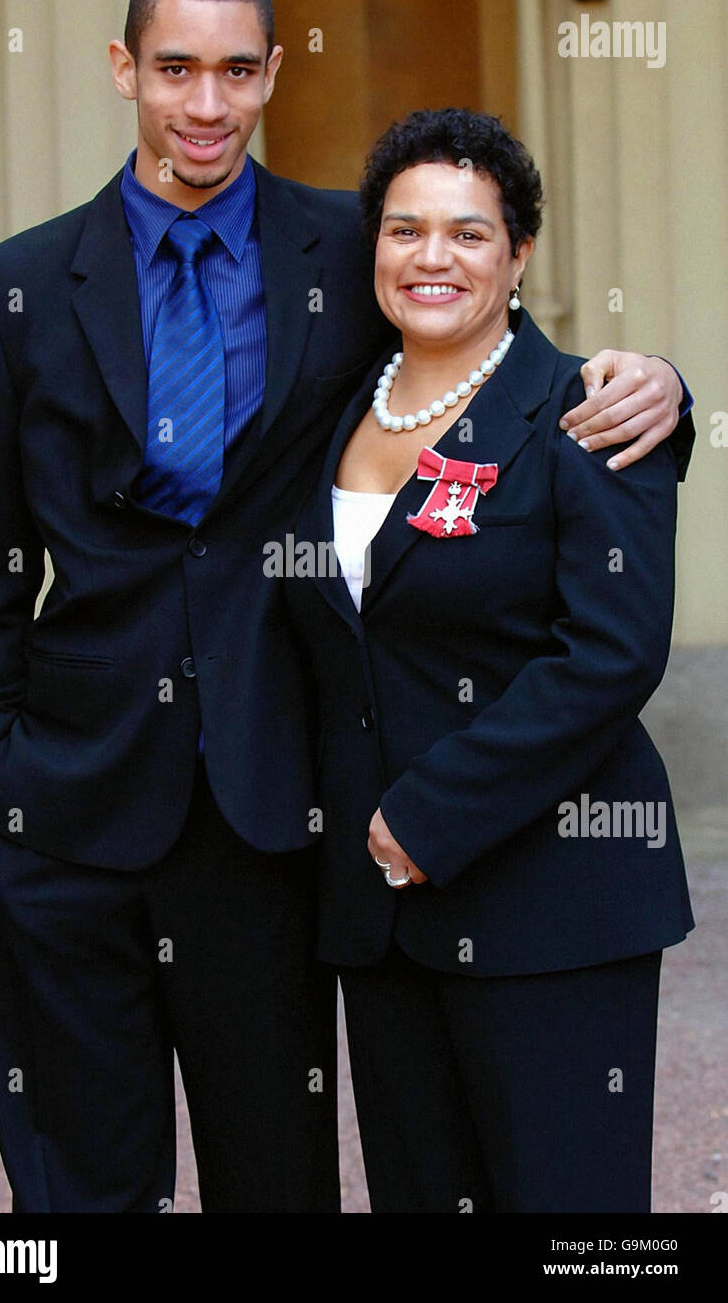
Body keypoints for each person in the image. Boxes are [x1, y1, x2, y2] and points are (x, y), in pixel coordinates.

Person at [0, 0, 691, 1214]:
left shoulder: (355, 252)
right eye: (175, 68)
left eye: (237, 70)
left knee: (277, 1181)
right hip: (64, 802)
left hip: (269, 808)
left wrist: (662, 383)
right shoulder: (18, 289)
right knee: (68, 1195)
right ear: (126, 69)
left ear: (276, 74)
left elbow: (496, 352)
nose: (206, 103)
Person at [285, 108, 695, 1213]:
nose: (432, 257)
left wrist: (433, 813)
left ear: (519, 255)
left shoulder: (592, 412)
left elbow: (611, 655)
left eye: (469, 233)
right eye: (405, 229)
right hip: (383, 914)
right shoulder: (332, 409)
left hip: (549, 890)